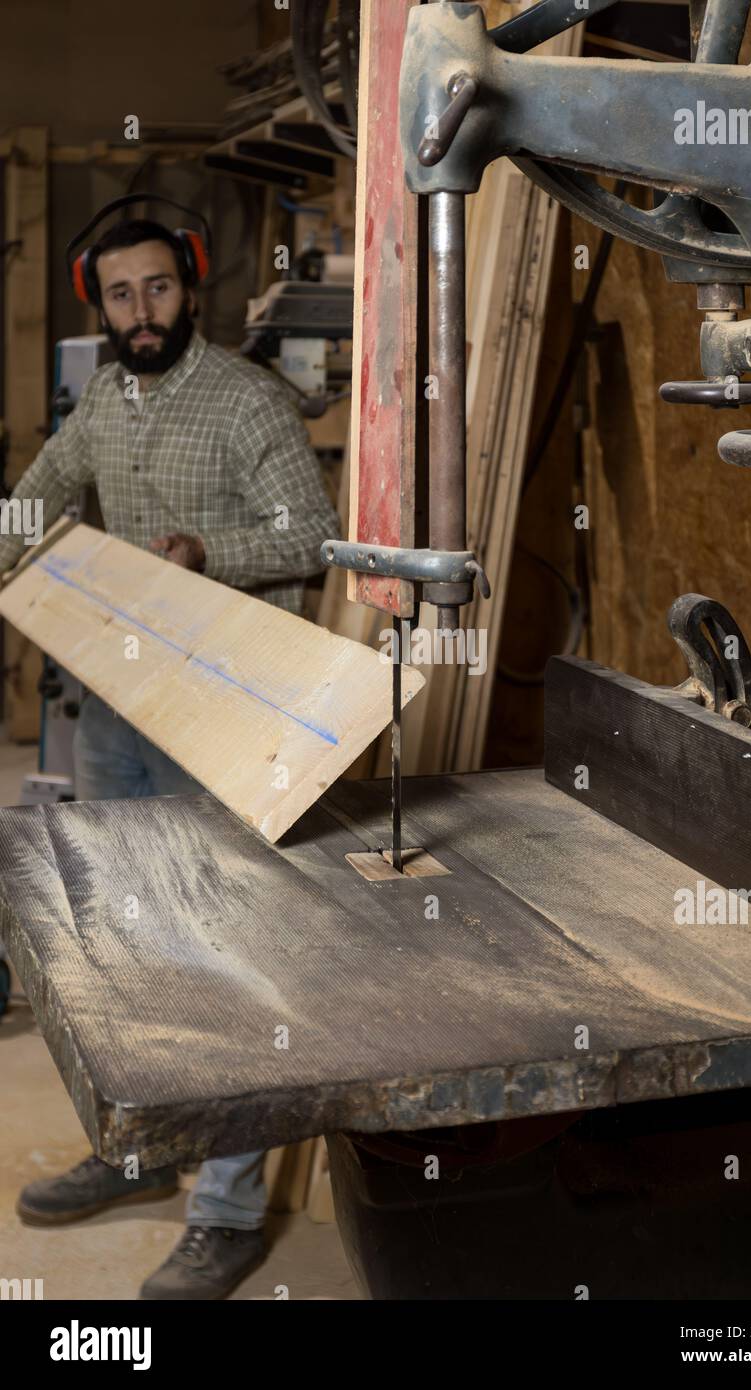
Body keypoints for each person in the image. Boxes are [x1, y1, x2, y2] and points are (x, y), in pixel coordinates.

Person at [0, 208, 341, 1300]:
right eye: (119, 296)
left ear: (188, 289)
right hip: (118, 709)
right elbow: (36, 502)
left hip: (229, 710)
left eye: (156, 289)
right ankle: (139, 1147)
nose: (139, 312)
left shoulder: (247, 401)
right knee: (128, 949)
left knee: (232, 955)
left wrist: (211, 554)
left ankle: (228, 1212)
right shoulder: (104, 398)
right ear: (96, 306)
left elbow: (311, 535)